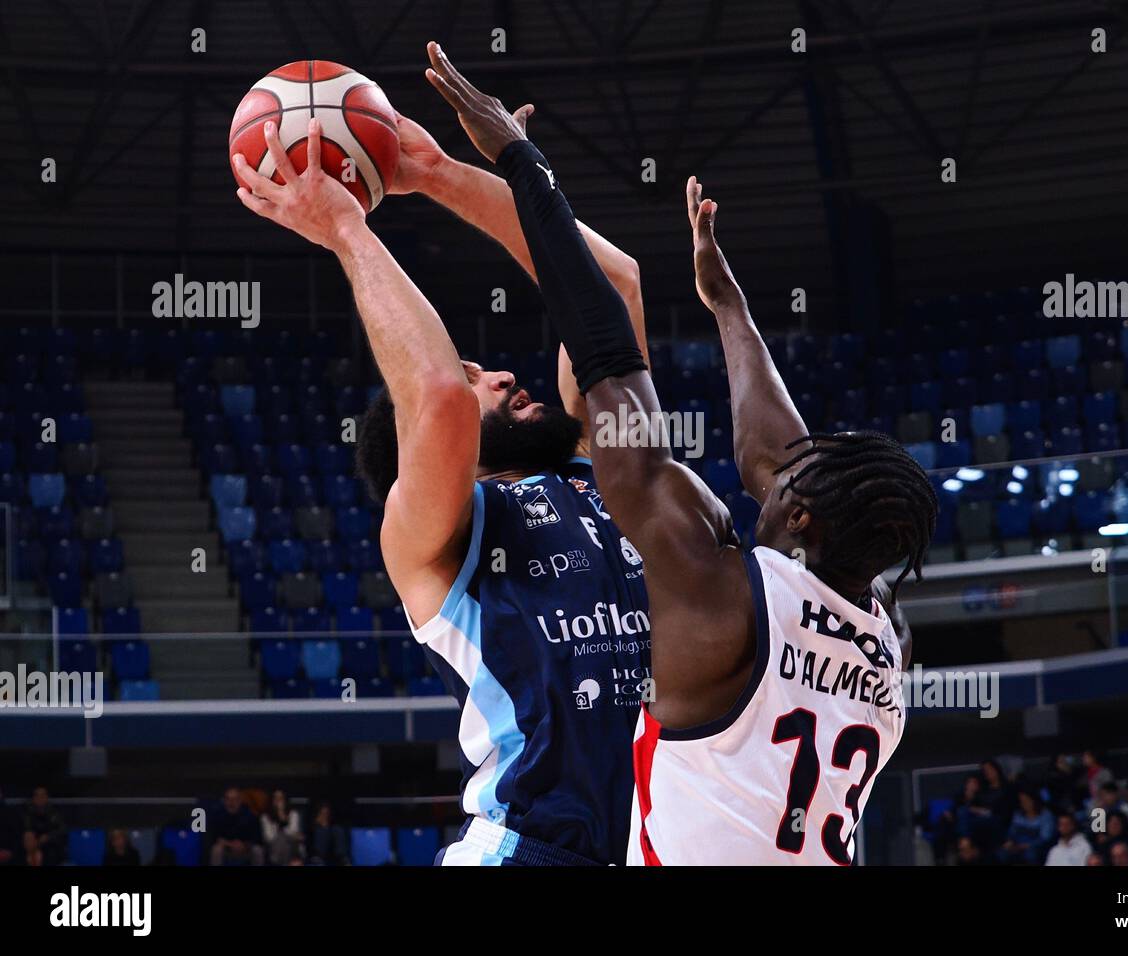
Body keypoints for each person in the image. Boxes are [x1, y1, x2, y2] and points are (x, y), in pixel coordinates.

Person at [423, 43, 935, 866]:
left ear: (800, 513)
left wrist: (524, 166)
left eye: (793, 479)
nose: (773, 470)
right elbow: (781, 462)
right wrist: (730, 310)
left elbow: (610, 363)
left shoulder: (716, 597)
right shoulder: (885, 633)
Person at [232, 47, 652, 866]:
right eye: (479, 375)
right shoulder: (431, 538)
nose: (500, 373)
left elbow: (614, 284)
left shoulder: (608, 475)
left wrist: (440, 174)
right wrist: (347, 230)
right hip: (525, 850)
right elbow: (439, 397)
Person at [209, 788, 264, 866]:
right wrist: (230, 844)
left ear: (240, 800)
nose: (231, 802)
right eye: (228, 799)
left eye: (234, 799)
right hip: (227, 848)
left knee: (257, 850)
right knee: (216, 850)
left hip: (246, 848)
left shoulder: (250, 815)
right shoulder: (218, 815)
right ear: (224, 801)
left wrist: (244, 845)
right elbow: (214, 838)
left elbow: (257, 838)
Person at [22, 786, 66, 866]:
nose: (40, 798)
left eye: (43, 795)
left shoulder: (54, 812)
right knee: (29, 840)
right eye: (37, 795)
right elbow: (24, 828)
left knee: (46, 855)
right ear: (33, 798)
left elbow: (62, 829)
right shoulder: (26, 811)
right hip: (31, 845)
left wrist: (48, 836)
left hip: (50, 844)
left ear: (47, 797)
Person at [260, 789, 305, 866]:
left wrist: (283, 818)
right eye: (276, 798)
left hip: (293, 850)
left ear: (285, 800)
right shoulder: (265, 817)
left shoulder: (293, 814)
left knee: (290, 840)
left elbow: (293, 834)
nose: (278, 801)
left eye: (280, 798)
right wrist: (279, 823)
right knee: (281, 838)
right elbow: (269, 838)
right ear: (272, 801)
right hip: (275, 852)